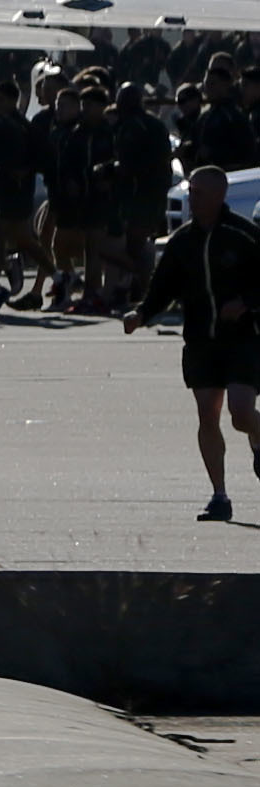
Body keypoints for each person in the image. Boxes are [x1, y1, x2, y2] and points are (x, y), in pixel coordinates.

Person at [124, 165, 260, 522]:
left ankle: (258, 441)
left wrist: (246, 302)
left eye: (198, 193)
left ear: (219, 195)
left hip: (242, 338)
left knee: (241, 413)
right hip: (200, 341)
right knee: (207, 415)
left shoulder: (244, 235)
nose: (191, 198)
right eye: (191, 191)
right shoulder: (182, 241)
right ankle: (219, 496)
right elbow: (163, 286)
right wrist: (142, 313)